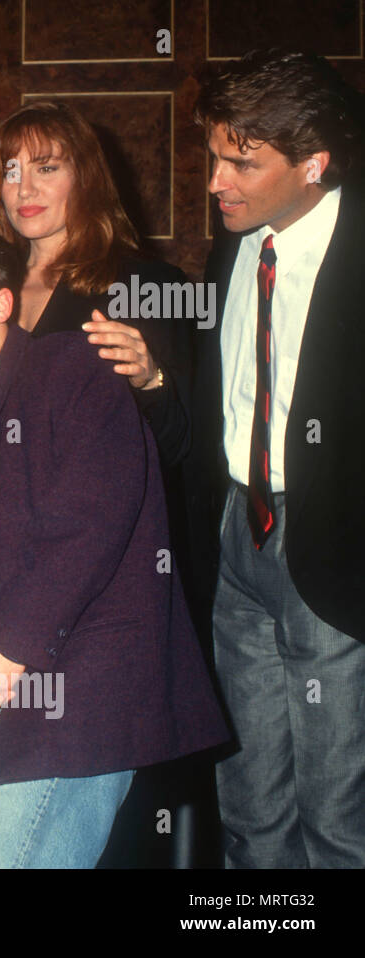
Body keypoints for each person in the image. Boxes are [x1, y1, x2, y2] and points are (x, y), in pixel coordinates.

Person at [0, 220, 228, 867]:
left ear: (2, 303)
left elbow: (92, 521)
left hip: (80, 702)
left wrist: (7, 650)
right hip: (2, 703)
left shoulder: (71, 365)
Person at [189, 48, 365, 868]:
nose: (216, 180)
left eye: (243, 162)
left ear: (314, 164)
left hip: (332, 548)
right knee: (251, 814)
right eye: (215, 154)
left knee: (337, 822)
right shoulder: (234, 243)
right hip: (236, 534)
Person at [0, 99, 192, 467]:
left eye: (46, 168)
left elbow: (181, 446)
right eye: (11, 171)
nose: (25, 189)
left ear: (86, 178)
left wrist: (150, 381)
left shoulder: (150, 286)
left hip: (93, 515)